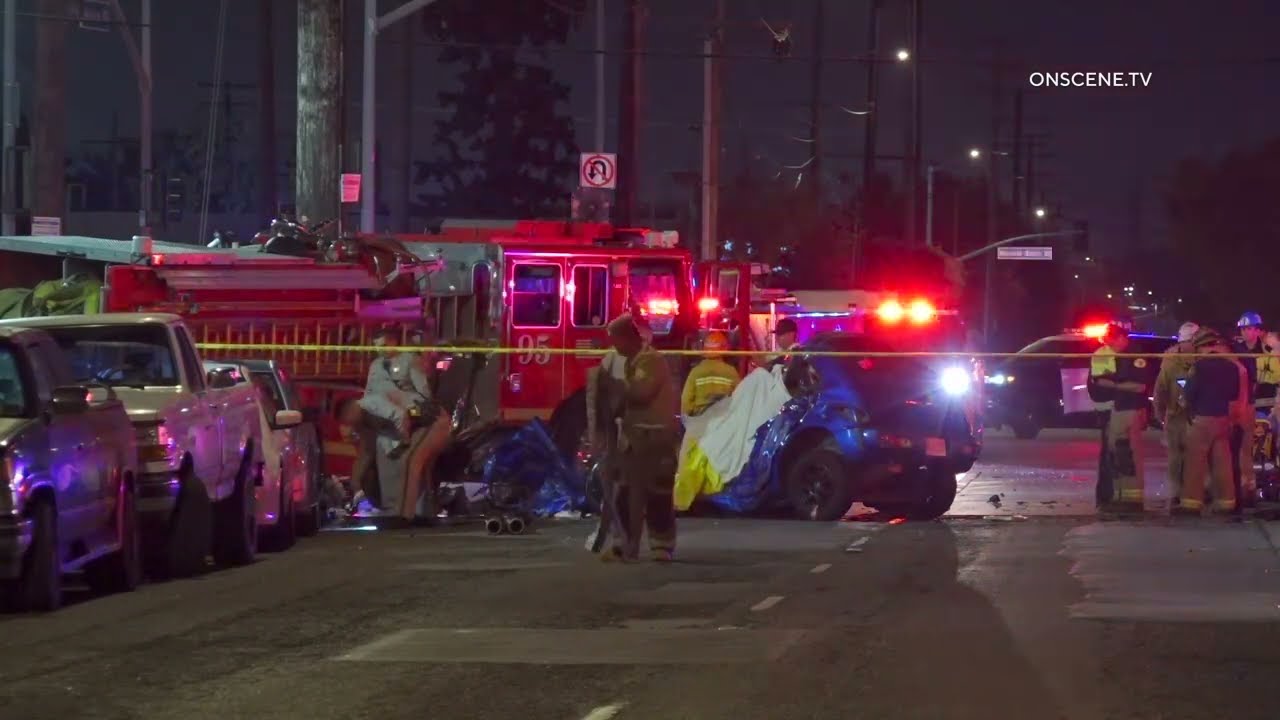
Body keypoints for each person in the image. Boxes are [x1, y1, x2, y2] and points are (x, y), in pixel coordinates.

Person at [601, 313, 680, 563]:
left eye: (616, 340)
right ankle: (623, 545)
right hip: (636, 438)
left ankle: (661, 545)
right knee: (624, 493)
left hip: (655, 437)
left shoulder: (650, 361)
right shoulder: (632, 361)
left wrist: (614, 387)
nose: (614, 346)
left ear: (628, 338)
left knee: (657, 492)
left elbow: (641, 392)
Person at [1179, 330, 1241, 516]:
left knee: (1195, 463)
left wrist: (1183, 402)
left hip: (1202, 420)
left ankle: (1191, 504)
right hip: (1222, 419)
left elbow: (1189, 394)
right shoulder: (1231, 367)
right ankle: (1226, 503)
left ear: (1203, 347)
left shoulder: (1199, 367)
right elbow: (1233, 394)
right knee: (1222, 463)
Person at [1089, 324, 1150, 511]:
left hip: (1126, 409)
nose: (1112, 345)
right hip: (1114, 410)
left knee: (1126, 454)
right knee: (1115, 455)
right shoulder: (1106, 354)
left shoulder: (1133, 355)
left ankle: (1126, 499)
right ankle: (1114, 497)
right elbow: (1099, 381)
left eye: (1113, 340)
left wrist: (1114, 383)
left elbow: (1140, 386)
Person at [584, 340, 626, 553]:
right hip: (610, 441)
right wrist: (596, 445)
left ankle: (615, 537)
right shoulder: (601, 378)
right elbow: (593, 413)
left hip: (621, 440)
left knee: (616, 491)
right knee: (612, 490)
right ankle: (617, 537)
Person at [1153, 322, 1200, 505]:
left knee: (1193, 456)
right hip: (1176, 415)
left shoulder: (1201, 358)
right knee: (1176, 456)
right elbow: (1160, 388)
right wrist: (1160, 413)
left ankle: (1190, 493)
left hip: (1196, 416)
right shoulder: (1171, 361)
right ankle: (1176, 493)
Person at [1231, 312, 1266, 503]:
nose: (1245, 332)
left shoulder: (1268, 350)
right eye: (1243, 329)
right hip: (1244, 404)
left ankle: (1252, 485)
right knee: (1241, 448)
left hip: (1267, 404)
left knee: (1253, 448)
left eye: (1249, 328)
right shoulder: (1236, 350)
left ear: (1258, 330)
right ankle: (1244, 487)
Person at [681, 331, 741, 417]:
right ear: (724, 349)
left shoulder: (696, 371)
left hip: (700, 420)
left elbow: (686, 402)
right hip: (724, 420)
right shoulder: (731, 372)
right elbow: (740, 399)